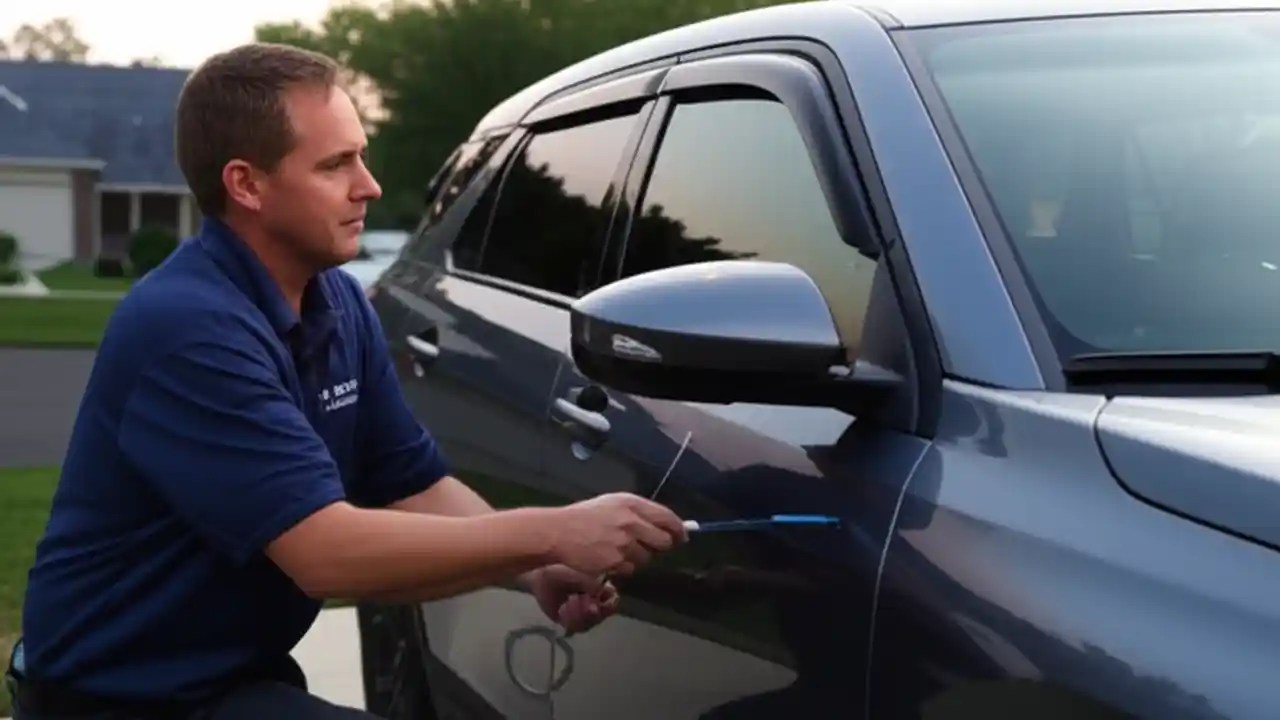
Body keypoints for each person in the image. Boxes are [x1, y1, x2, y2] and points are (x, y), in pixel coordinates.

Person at [5, 42, 687, 719]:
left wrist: (533, 570)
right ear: (247, 185)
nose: (370, 185)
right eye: (336, 164)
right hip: (115, 698)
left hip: (230, 678)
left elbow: (408, 483)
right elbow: (324, 553)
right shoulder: (187, 327)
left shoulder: (337, 301)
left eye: (359, 155)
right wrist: (550, 534)